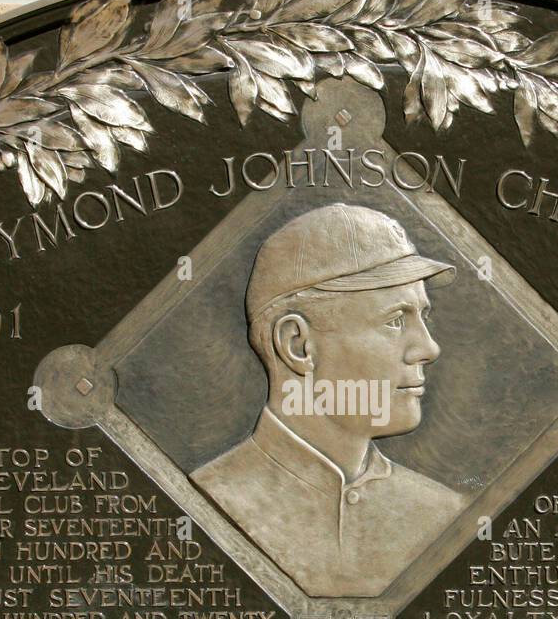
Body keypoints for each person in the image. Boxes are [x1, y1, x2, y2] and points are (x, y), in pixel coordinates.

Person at [192, 202, 467, 597]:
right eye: (395, 321)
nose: (428, 347)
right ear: (297, 344)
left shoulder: (444, 515)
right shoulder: (204, 501)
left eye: (424, 316)